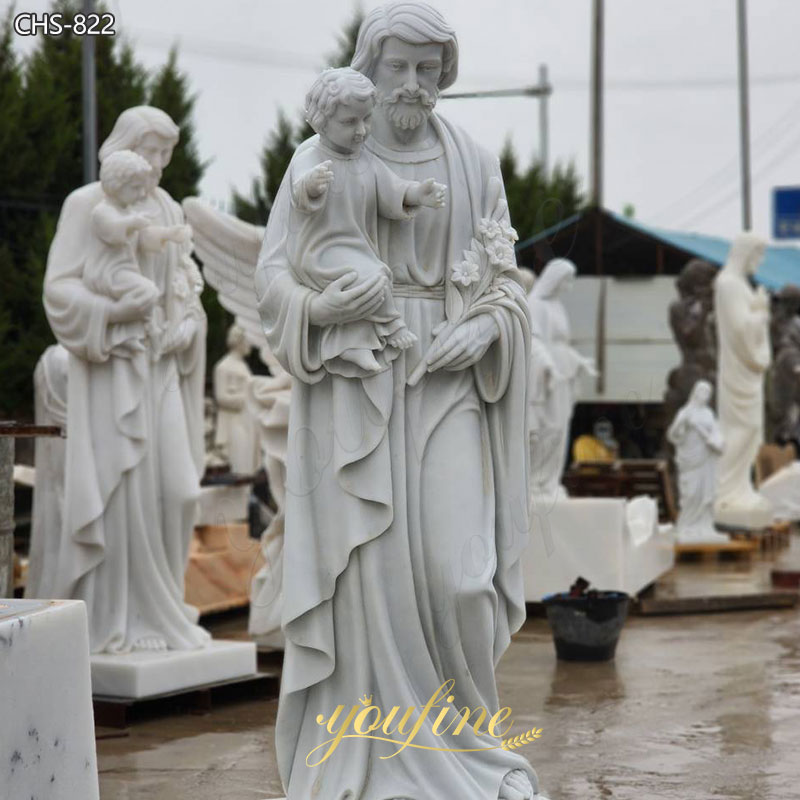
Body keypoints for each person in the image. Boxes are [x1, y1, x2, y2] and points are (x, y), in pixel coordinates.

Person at [255, 4, 542, 799]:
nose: (412, 84)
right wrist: (319, 313)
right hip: (356, 384)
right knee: (367, 583)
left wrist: (486, 329)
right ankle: (376, 756)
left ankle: (470, 748)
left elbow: (505, 283)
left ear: (445, 72)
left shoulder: (474, 161)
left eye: (427, 68)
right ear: (368, 68)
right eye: (397, 67)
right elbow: (273, 276)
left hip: (445, 379)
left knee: (460, 575)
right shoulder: (316, 160)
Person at [40, 106, 209, 654]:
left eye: (167, 154)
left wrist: (186, 325)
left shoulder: (163, 207)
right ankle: (121, 620)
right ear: (126, 145)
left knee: (181, 492)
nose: (160, 165)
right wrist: (115, 316)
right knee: (114, 493)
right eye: (152, 151)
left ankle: (161, 609)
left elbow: (187, 284)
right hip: (112, 369)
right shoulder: (88, 205)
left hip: (159, 368)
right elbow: (59, 291)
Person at [290, 66, 446, 375]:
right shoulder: (310, 156)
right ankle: (391, 326)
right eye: (350, 121)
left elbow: (392, 190)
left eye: (366, 119)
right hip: (320, 250)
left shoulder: (365, 161)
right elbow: (299, 191)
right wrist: (311, 184)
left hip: (354, 248)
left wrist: (417, 193)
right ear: (322, 121)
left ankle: (352, 347)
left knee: (372, 278)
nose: (361, 130)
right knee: (370, 274)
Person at [713, 232, 773, 527]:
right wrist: (760, 313)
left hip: (749, 372)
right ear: (746, 253)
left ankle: (741, 487)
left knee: (750, 430)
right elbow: (740, 330)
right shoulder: (727, 285)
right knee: (740, 428)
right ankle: (725, 490)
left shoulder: (739, 285)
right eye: (758, 255)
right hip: (739, 370)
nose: (760, 262)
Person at [526, 258, 595, 503]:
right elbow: (534, 341)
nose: (570, 285)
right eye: (567, 279)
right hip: (547, 375)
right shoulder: (535, 304)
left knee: (561, 429)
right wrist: (547, 365)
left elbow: (562, 344)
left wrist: (579, 362)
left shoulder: (557, 306)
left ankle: (551, 481)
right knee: (547, 428)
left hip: (564, 373)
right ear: (555, 279)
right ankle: (536, 482)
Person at [667, 380, 728, 543]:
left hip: (706, 459)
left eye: (708, 393)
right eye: (703, 392)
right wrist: (683, 422)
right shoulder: (685, 412)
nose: (705, 396)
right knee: (691, 493)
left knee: (706, 493)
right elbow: (672, 435)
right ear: (695, 393)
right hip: (690, 460)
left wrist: (716, 441)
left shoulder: (708, 414)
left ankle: (705, 526)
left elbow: (716, 432)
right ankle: (687, 526)